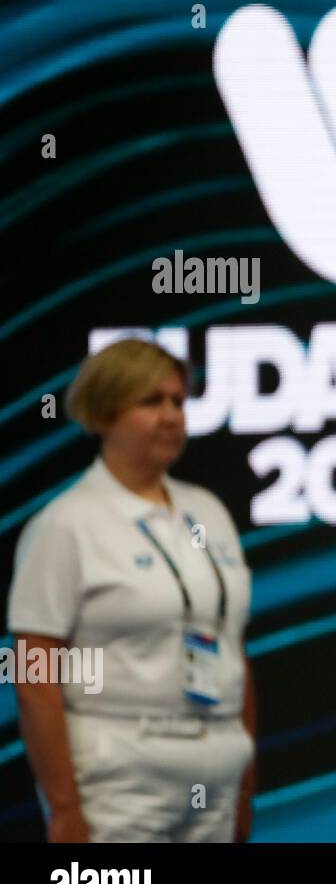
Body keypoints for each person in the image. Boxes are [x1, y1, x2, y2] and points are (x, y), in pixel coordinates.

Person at [8, 338, 256, 842]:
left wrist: (245, 785)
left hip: (217, 763)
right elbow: (34, 672)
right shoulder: (65, 524)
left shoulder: (207, 512)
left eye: (178, 401)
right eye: (150, 402)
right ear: (103, 414)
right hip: (119, 770)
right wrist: (64, 808)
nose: (171, 416)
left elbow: (232, 648)